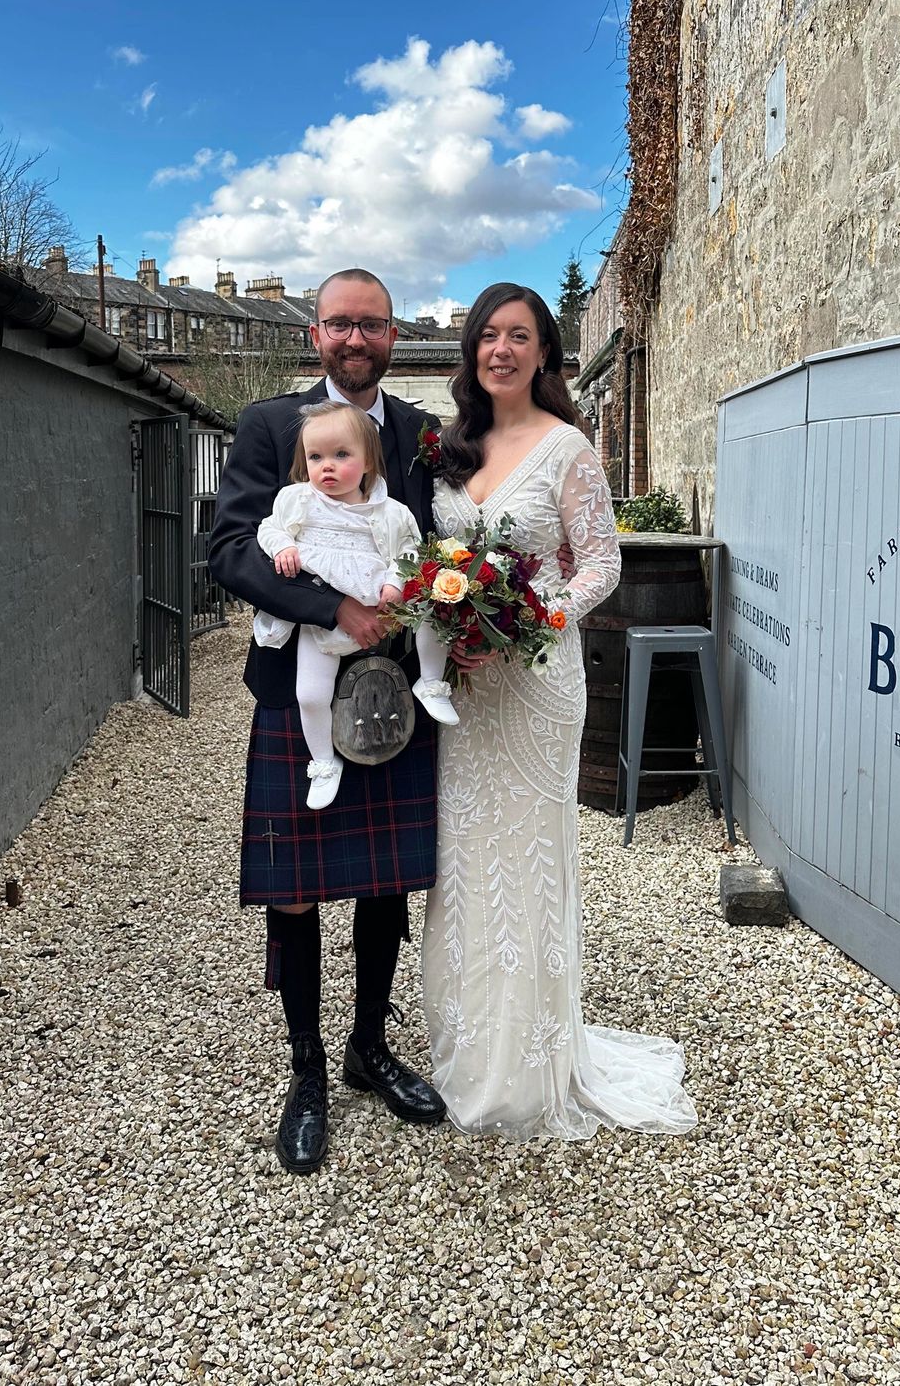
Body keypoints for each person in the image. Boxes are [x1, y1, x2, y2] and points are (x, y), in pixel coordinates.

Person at [420, 282, 699, 1140]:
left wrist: (534, 618)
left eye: (520, 336)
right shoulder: (456, 449)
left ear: (545, 352)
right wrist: (449, 618)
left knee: (528, 856)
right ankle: (469, 1048)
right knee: (464, 855)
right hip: (469, 685)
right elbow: (435, 557)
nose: (501, 349)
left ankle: (533, 1063)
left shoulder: (568, 446)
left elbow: (601, 563)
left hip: (538, 683)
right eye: (488, 335)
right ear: (472, 350)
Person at [208, 270, 446, 1175]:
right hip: (304, 683)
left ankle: (368, 1045)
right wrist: (329, 610)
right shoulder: (273, 426)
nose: (357, 337)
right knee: (297, 884)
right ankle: (306, 1066)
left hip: (395, 682)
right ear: (316, 332)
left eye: (372, 324)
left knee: (386, 877)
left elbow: (442, 537)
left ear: (393, 334)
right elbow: (231, 547)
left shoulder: (419, 434)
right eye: (341, 322)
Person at [253, 399, 458, 810]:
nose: (326, 466)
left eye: (341, 454)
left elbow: (410, 553)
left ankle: (430, 680)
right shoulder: (298, 501)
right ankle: (324, 763)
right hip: (322, 617)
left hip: (385, 608)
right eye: (315, 456)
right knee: (310, 694)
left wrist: (395, 583)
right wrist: (283, 548)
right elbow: (268, 529)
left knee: (432, 607)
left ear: (368, 461)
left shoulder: (392, 512)